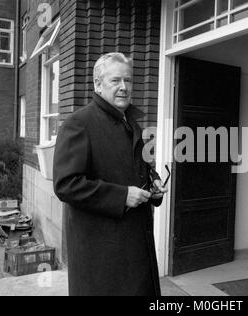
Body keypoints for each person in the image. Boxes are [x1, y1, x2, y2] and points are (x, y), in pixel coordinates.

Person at [53, 52, 167, 296]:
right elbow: (66, 184)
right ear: (97, 84)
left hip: (136, 247)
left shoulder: (132, 124)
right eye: (115, 81)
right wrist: (122, 195)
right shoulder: (79, 123)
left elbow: (139, 168)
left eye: (128, 80)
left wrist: (153, 182)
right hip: (102, 257)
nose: (124, 87)